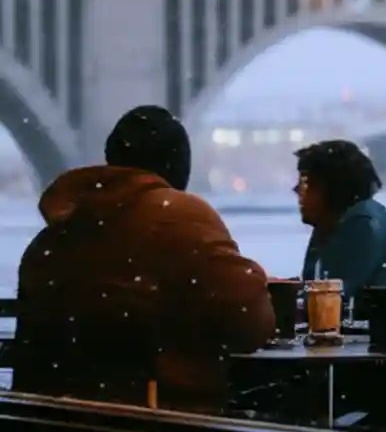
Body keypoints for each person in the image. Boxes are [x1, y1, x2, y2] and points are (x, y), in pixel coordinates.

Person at [12, 105, 274, 411]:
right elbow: (250, 325)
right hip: (158, 431)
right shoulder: (181, 218)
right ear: (178, 168)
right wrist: (254, 276)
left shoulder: (57, 233)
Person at [294, 140, 386, 295]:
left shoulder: (362, 225)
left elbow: (333, 298)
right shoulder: (329, 225)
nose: (296, 190)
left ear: (334, 188)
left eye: (306, 183)